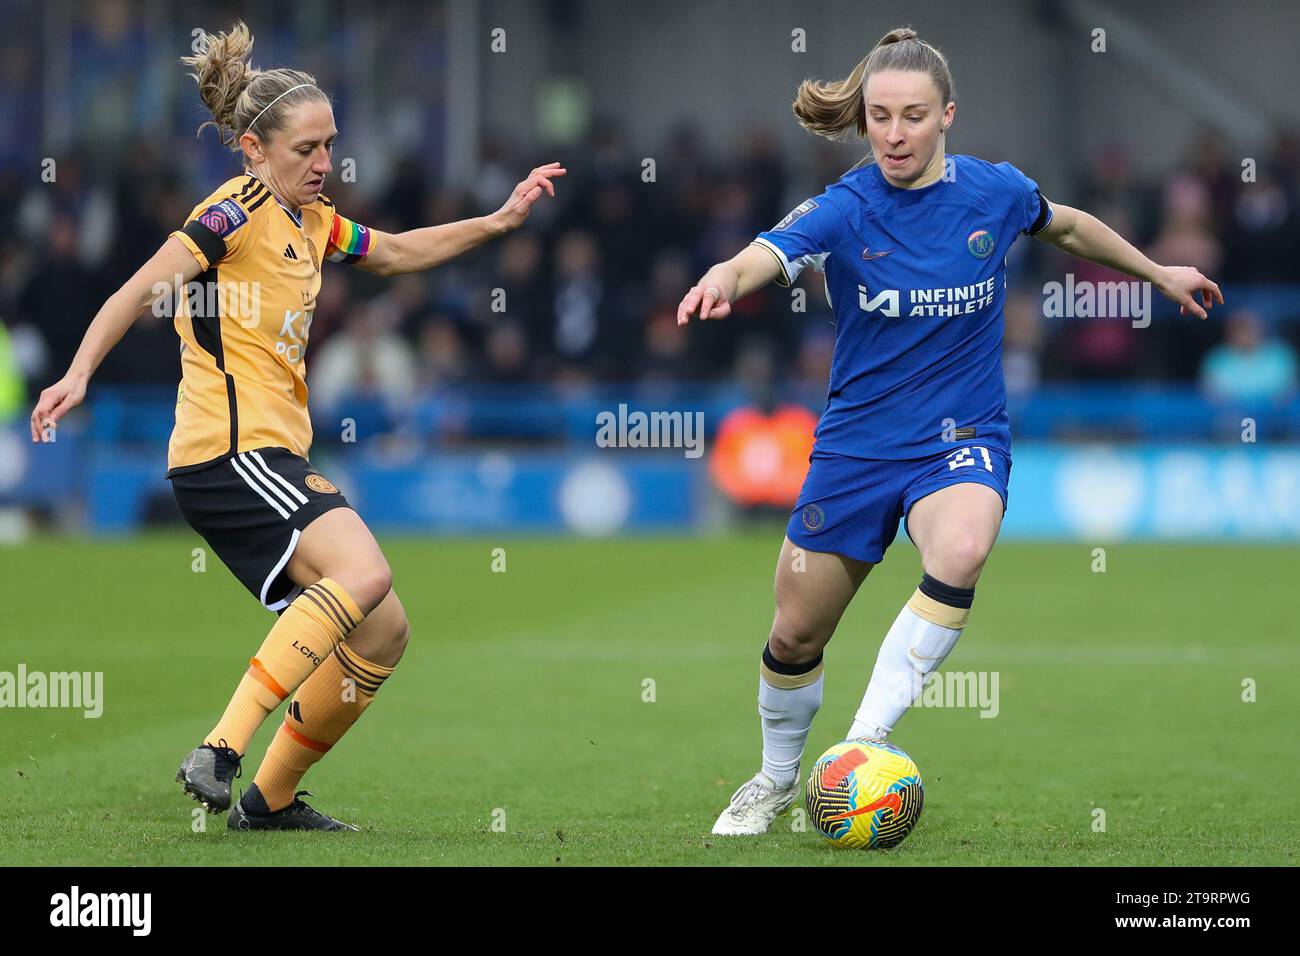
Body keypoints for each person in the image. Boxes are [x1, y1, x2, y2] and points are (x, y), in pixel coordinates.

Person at [676, 27, 1221, 835]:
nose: (894, 134)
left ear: (947, 117)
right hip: (857, 446)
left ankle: (860, 749)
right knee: (794, 634)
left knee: (960, 549)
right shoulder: (843, 207)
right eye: (881, 117)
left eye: (913, 116)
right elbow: (766, 252)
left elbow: (1068, 226)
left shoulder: (994, 194)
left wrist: (1157, 270)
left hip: (958, 436)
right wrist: (723, 276)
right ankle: (774, 777)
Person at [28, 21, 565, 831]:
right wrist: (76, 373)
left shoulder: (313, 223)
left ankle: (268, 800)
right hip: (226, 453)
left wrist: (496, 221)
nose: (325, 163)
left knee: (383, 632)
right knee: (364, 573)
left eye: (330, 145)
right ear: (253, 149)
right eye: (307, 149)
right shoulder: (230, 214)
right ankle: (220, 747)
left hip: (271, 457)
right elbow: (140, 288)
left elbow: (396, 251)